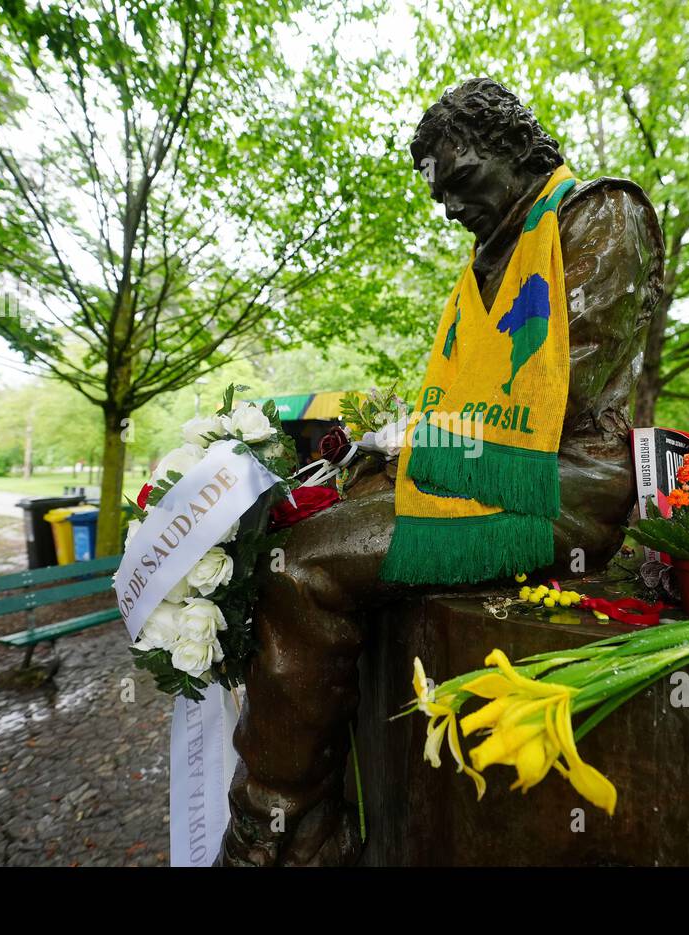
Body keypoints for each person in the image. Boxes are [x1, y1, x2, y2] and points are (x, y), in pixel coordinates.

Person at [218, 77, 664, 866]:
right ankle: (311, 816)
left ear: (515, 149)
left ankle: (278, 833)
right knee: (302, 520)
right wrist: (400, 444)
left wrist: (431, 447)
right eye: (440, 196)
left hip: (560, 487)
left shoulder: (599, 212)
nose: (450, 207)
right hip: (482, 468)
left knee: (304, 568)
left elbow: (575, 385)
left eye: (461, 182)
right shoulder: (486, 260)